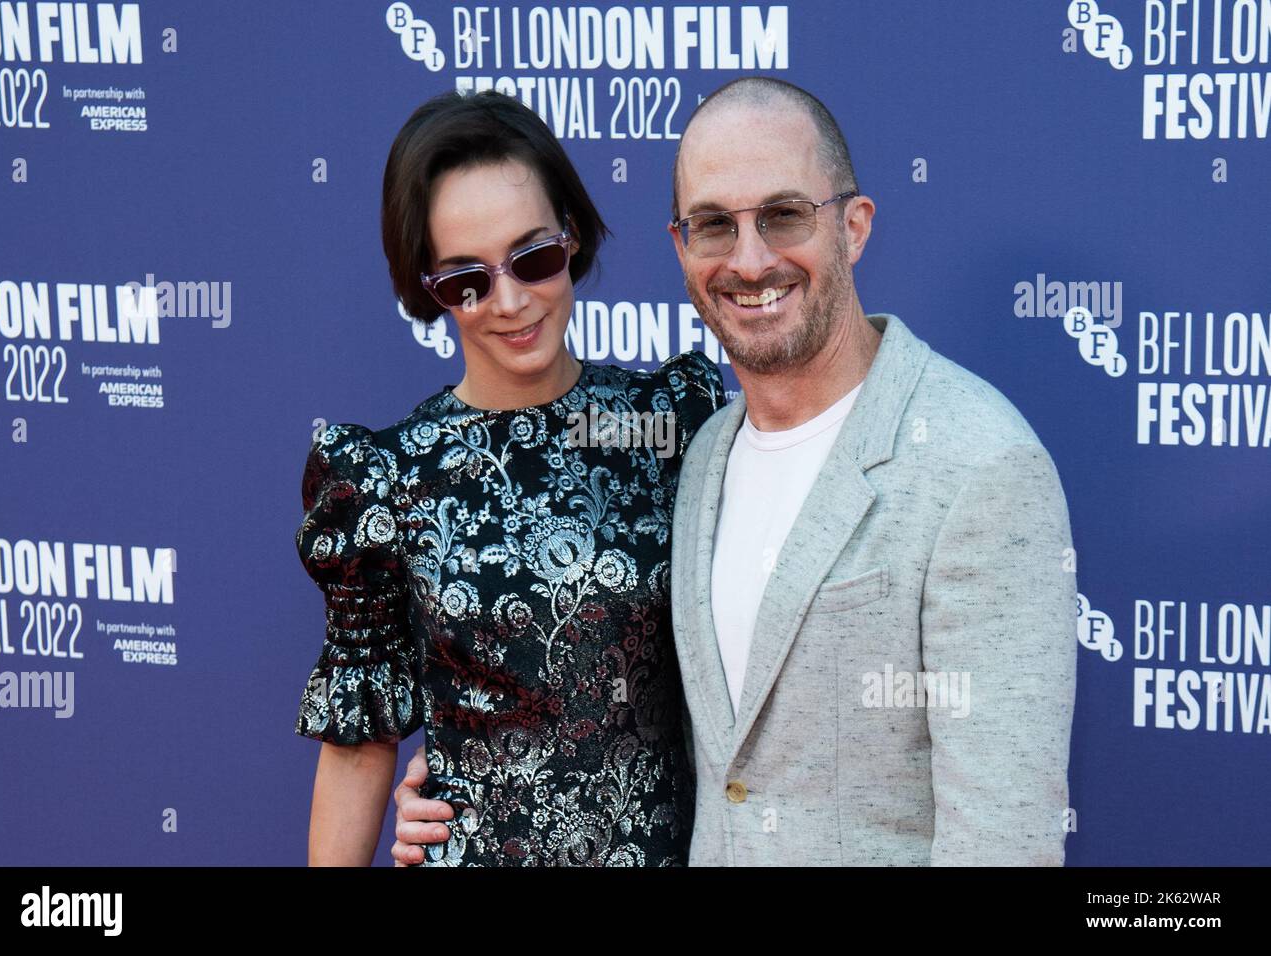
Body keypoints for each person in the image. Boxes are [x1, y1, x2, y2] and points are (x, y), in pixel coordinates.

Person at [391, 76, 1078, 867]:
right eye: (715, 225)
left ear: (854, 226)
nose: (750, 261)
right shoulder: (699, 452)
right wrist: (477, 778)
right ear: (682, 247)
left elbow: (1004, 838)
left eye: (784, 215)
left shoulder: (979, 464)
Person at [293, 88, 725, 866]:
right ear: (428, 285)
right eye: (468, 280)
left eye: (534, 257)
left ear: (572, 235)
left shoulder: (670, 426)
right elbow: (360, 748)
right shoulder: (386, 478)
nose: (512, 300)